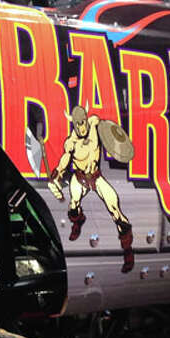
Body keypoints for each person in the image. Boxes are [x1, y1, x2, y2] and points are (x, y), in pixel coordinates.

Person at [48, 105, 135, 273]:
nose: (81, 127)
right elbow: (64, 161)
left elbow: (114, 134)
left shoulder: (95, 124)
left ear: (86, 119)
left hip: (96, 176)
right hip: (79, 178)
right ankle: (78, 221)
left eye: (82, 122)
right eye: (76, 123)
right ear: (72, 123)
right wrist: (56, 176)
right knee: (73, 206)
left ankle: (128, 252)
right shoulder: (71, 143)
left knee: (116, 212)